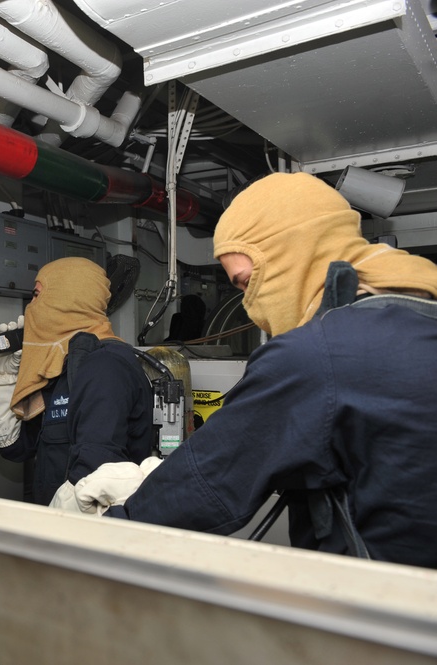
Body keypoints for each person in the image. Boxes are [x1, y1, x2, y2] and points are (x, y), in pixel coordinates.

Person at [94, 171, 437, 569]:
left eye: (247, 282)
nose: (251, 306)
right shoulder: (419, 311)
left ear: (294, 251)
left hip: (384, 593)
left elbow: (209, 482)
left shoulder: (316, 354)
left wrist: (106, 534)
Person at [0, 257, 155, 505]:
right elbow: (15, 449)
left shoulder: (106, 366)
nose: (31, 307)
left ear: (66, 300)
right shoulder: (64, 364)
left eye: (37, 295)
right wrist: (6, 378)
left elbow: (93, 483)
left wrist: (53, 521)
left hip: (79, 523)